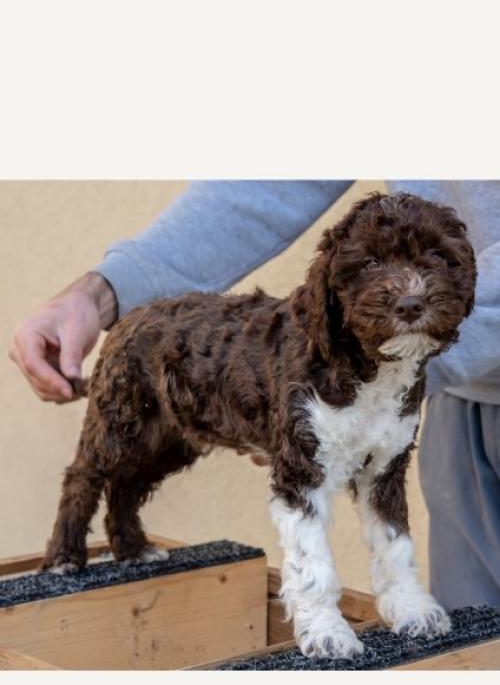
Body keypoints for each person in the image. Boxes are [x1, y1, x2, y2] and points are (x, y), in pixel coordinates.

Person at [9, 181, 500, 609]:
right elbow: (269, 184)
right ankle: (81, 540)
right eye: (373, 264)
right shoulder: (306, 353)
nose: (409, 286)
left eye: (434, 258)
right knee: (113, 454)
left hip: (430, 377)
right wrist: (101, 293)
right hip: (463, 403)